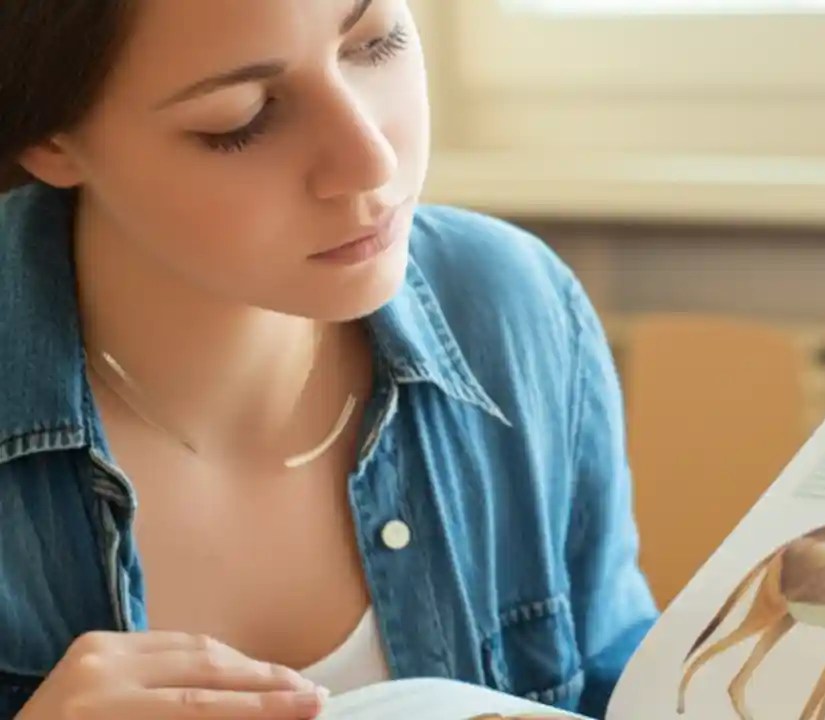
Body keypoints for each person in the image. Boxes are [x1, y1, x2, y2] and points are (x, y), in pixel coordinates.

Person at [0, 1, 658, 718]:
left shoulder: (509, 308)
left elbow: (616, 684)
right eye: (241, 118)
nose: (370, 159)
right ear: (52, 138)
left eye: (376, 44)